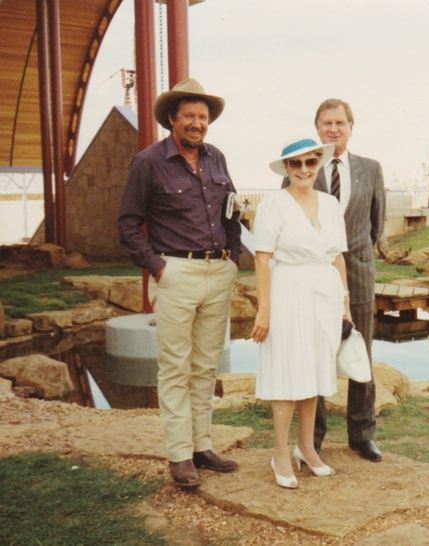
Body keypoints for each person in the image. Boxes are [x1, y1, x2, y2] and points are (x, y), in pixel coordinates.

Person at [117, 78, 241, 488]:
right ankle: (179, 455)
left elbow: (231, 213)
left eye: (202, 117)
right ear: (172, 118)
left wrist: (233, 259)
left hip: (216, 273)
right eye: (188, 115)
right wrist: (157, 267)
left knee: (206, 367)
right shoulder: (148, 162)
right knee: (174, 368)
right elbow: (129, 224)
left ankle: (202, 446)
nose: (196, 123)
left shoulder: (217, 158)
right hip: (176, 273)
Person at [251, 138, 352, 489]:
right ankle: (280, 453)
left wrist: (345, 303)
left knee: (312, 372)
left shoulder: (330, 203)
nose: (304, 170)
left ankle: (306, 448)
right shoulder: (273, 203)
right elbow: (261, 258)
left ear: (319, 163)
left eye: (311, 162)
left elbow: (338, 256)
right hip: (288, 293)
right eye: (296, 164)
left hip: (324, 295)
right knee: (287, 372)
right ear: (286, 169)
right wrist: (264, 309)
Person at [297, 98, 386, 462]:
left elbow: (376, 224)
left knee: (360, 354)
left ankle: (362, 434)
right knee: (314, 354)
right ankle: (312, 436)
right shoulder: (302, 167)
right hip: (314, 277)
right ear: (316, 129)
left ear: (351, 127)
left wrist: (356, 256)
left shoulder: (371, 169)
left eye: (340, 123)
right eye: (326, 123)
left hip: (360, 275)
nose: (333, 129)